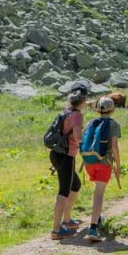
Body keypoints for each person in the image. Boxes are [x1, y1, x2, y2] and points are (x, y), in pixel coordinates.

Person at [78, 95, 122, 244]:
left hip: (89, 162)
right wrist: (118, 165)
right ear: (113, 110)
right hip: (104, 162)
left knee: (97, 192)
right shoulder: (114, 125)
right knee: (99, 195)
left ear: (97, 110)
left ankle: (98, 219)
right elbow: (114, 147)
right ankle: (93, 228)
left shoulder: (91, 122)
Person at [48, 89, 88, 241]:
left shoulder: (66, 111)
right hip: (66, 156)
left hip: (56, 153)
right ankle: (56, 229)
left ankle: (67, 220)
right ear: (82, 102)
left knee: (75, 185)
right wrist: (88, 144)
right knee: (63, 191)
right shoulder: (77, 115)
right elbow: (77, 137)